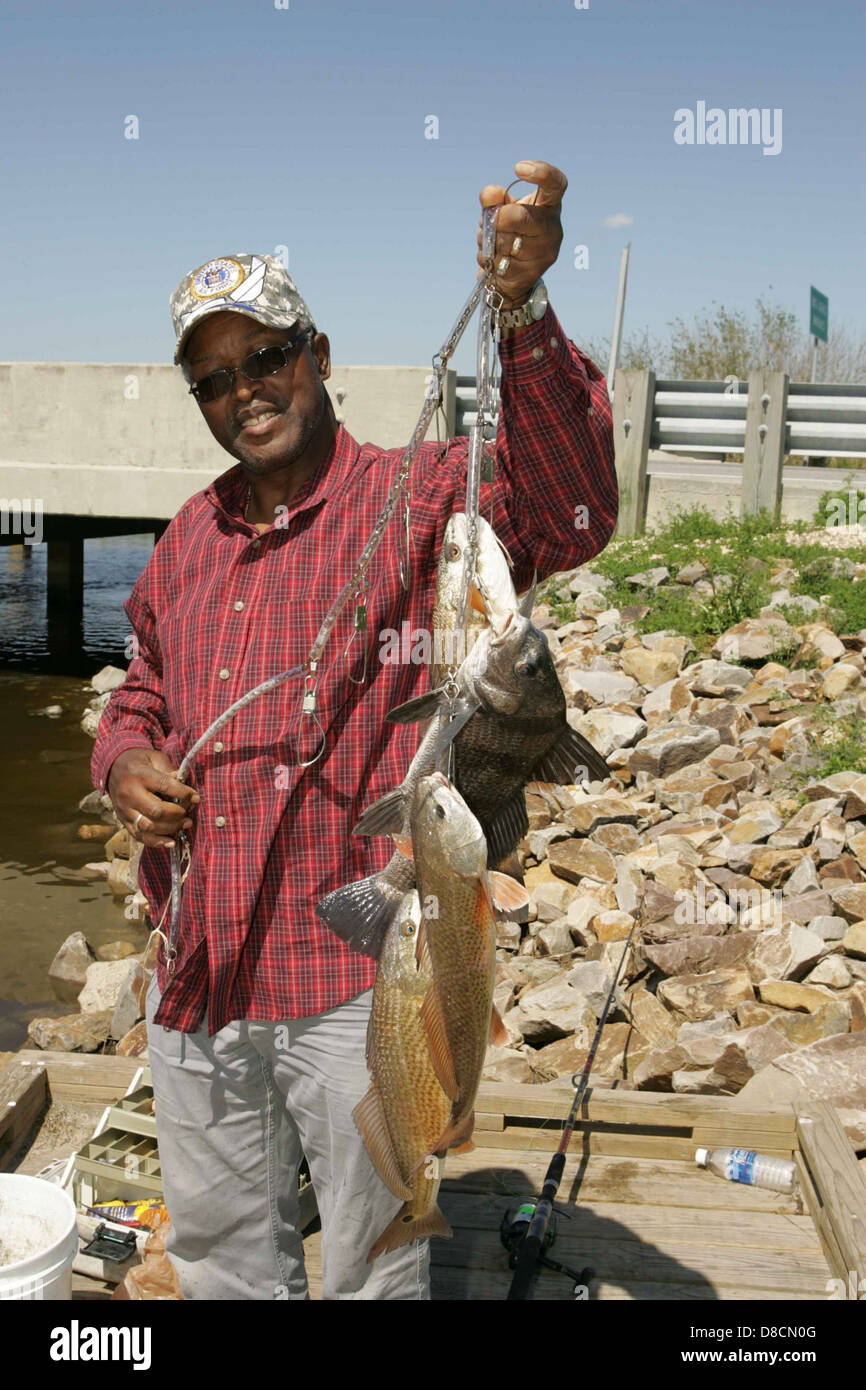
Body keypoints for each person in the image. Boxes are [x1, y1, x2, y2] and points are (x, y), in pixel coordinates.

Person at [91, 160, 619, 1300]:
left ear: (318, 356)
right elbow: (141, 685)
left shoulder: (419, 495)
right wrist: (122, 756)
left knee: (376, 1273)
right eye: (214, 379)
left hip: (359, 977)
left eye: (267, 358)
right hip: (198, 971)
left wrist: (519, 308)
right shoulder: (184, 540)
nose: (245, 391)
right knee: (224, 1263)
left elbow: (570, 510)